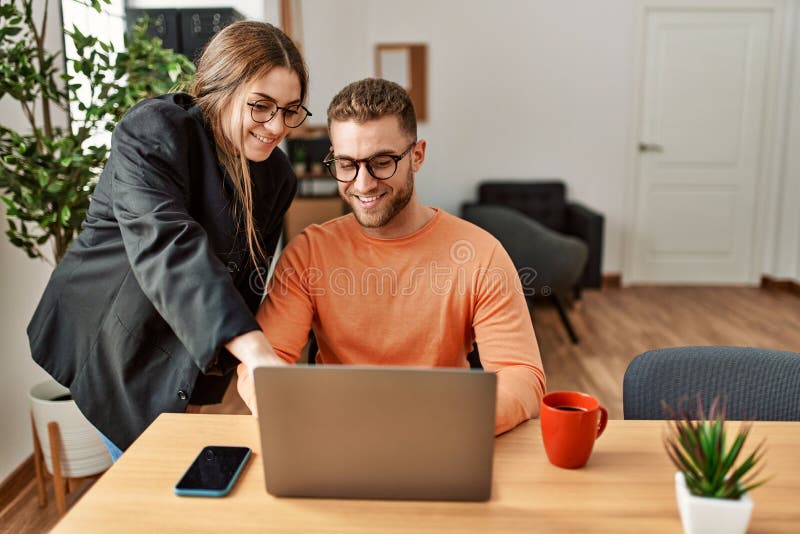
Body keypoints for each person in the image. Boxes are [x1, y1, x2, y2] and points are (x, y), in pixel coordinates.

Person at [27, 21, 304, 457]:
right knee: (147, 483)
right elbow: (169, 245)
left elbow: (247, 279)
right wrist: (258, 353)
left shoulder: (276, 177)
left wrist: (239, 372)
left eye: (290, 110)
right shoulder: (155, 131)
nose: (276, 126)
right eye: (262, 106)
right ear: (219, 89)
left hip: (184, 343)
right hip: (113, 335)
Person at [250, 78, 546, 435]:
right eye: (346, 164)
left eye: (381, 162)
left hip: (446, 434)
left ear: (417, 155)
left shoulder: (480, 254)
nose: (363, 184)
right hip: (339, 436)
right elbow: (263, 365)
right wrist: (286, 408)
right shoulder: (309, 254)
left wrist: (445, 423)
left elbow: (522, 377)